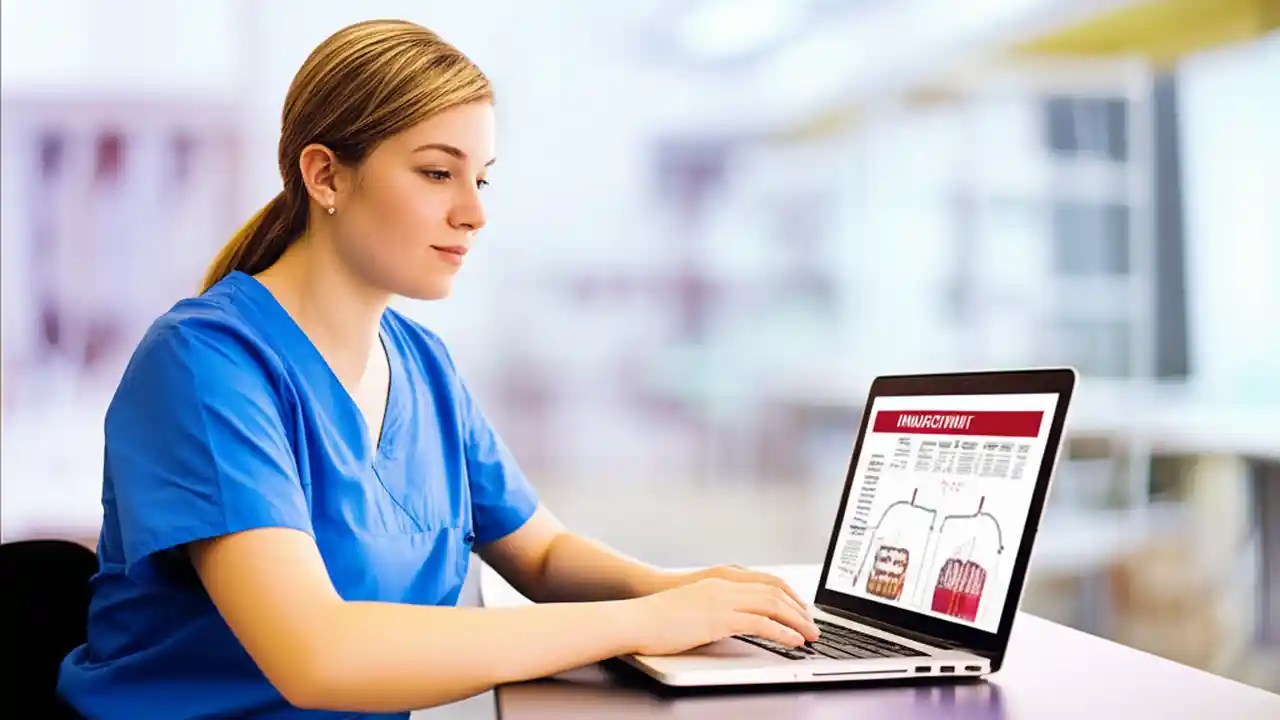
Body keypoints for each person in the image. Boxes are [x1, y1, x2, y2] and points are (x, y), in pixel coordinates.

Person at [56, 19, 819, 719]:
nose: (474, 213)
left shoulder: (421, 365)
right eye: (435, 173)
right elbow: (316, 656)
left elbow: (541, 554)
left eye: (480, 179)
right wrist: (644, 621)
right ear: (325, 176)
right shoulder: (205, 366)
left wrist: (687, 593)